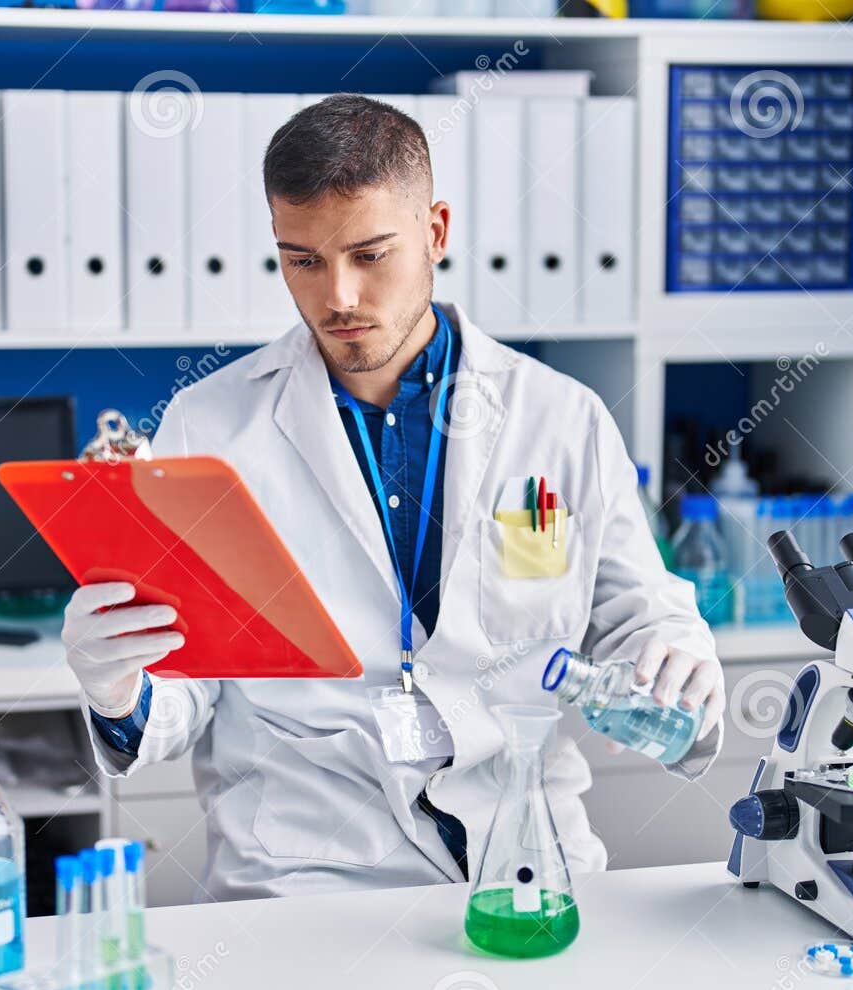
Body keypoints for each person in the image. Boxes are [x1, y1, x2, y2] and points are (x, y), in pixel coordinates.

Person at [63, 95, 725, 900]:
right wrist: (118, 688)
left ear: (436, 231)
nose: (337, 295)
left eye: (370, 254)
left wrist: (676, 653)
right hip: (305, 875)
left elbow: (638, 613)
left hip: (523, 854)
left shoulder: (561, 417)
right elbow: (187, 691)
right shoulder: (210, 424)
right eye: (302, 260)